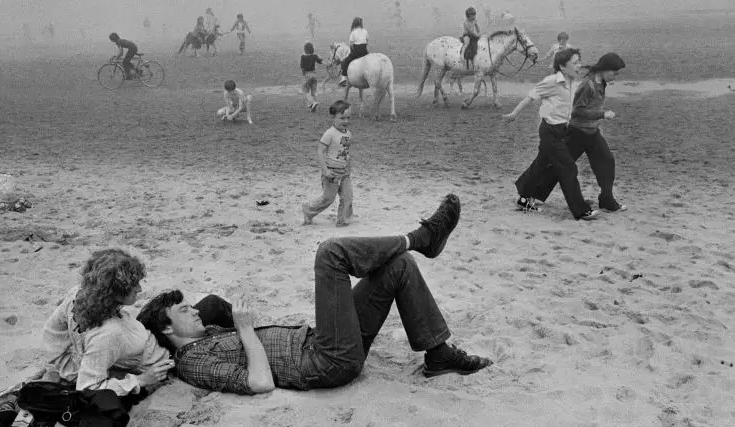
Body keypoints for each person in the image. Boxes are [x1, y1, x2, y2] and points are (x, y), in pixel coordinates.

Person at [138, 194, 493, 395]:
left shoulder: (208, 334)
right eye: (184, 311)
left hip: (323, 342)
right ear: (168, 330)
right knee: (329, 254)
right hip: (324, 363)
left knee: (397, 265)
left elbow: (212, 305)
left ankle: (439, 354)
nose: (195, 311)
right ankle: (421, 239)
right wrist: (244, 330)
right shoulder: (192, 362)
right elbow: (259, 383)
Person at [0, 248, 236, 426]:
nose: (140, 289)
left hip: (138, 334)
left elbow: (52, 332)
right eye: (134, 286)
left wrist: (72, 357)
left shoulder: (79, 295)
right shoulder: (109, 334)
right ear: (114, 293)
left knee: (209, 306)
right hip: (164, 357)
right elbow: (89, 387)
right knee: (213, 308)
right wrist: (140, 380)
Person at [502, 48, 600, 221]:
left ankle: (524, 199)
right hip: (550, 131)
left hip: (564, 130)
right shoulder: (551, 81)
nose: (579, 65)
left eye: (579, 61)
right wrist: (514, 114)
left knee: (541, 165)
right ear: (562, 66)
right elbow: (530, 97)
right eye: (575, 62)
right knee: (569, 168)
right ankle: (581, 210)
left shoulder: (575, 83)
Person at [534, 53, 628, 212]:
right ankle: (535, 195)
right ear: (605, 69)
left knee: (607, 162)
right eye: (615, 73)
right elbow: (577, 112)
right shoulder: (588, 85)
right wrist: (602, 114)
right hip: (577, 133)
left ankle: (606, 200)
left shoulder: (601, 82)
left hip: (592, 132)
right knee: (561, 166)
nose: (616, 77)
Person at [302, 100, 353, 226]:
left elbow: (345, 151)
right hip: (331, 172)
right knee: (328, 198)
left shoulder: (348, 134)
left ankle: (343, 221)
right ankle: (308, 210)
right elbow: (320, 151)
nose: (346, 121)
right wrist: (325, 170)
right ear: (333, 117)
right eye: (342, 118)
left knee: (347, 197)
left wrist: (348, 166)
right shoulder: (329, 133)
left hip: (345, 172)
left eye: (348, 118)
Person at [338, 17, 368, 87]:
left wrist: (352, 52)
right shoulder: (365, 31)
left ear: (354, 24)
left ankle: (343, 78)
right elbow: (367, 41)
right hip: (365, 50)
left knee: (345, 62)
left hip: (356, 51)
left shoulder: (353, 32)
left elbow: (351, 45)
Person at [300, 42, 324, 112]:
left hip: (307, 75)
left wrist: (304, 74)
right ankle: (313, 106)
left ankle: (313, 102)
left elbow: (302, 67)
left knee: (305, 91)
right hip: (314, 75)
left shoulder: (303, 57)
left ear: (305, 49)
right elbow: (320, 61)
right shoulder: (315, 56)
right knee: (313, 92)